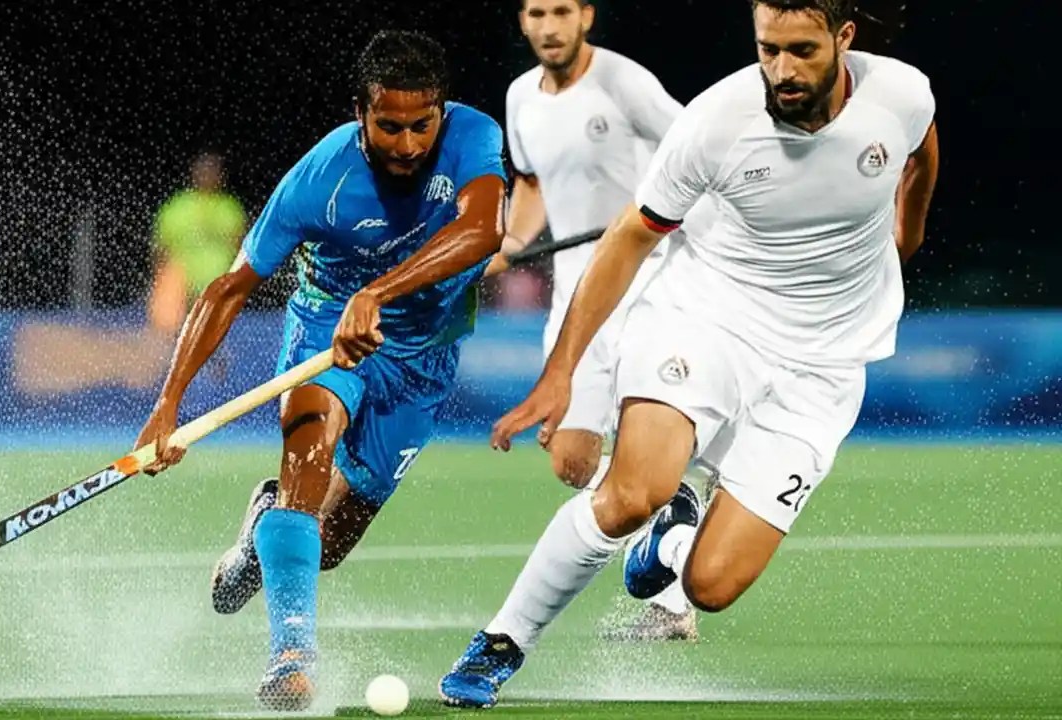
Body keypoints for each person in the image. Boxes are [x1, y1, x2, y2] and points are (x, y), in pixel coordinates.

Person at [440, 0, 938, 708]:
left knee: (712, 585)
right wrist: (561, 375)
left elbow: (922, 151)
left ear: (844, 39)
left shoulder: (902, 93)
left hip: (824, 366)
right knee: (627, 493)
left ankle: (669, 544)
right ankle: (502, 642)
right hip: (708, 318)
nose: (782, 69)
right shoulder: (716, 121)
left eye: (802, 50)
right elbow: (627, 239)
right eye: (769, 49)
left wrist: (904, 235)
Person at [133, 30, 506, 712]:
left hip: (423, 358)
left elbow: (483, 231)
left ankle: (259, 535)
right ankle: (291, 657)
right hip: (326, 334)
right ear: (360, 113)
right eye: (388, 126)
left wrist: (380, 294)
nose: (406, 144)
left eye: (421, 125)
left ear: (441, 112)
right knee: (306, 455)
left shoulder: (474, 136)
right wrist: (169, 405)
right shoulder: (318, 179)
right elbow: (228, 288)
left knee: (328, 544)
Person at [485, 0, 709, 643]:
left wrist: (669, 213)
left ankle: (669, 596)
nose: (549, 26)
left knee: (639, 436)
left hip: (650, 283)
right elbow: (531, 184)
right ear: (521, 21)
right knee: (572, 461)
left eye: (562, 11)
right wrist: (510, 246)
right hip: (577, 294)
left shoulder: (625, 83)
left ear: (586, 15)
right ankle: (672, 506)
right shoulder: (520, 96)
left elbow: (700, 148)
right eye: (536, 12)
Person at [146, 151, 249, 334]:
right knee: (175, 339)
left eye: (213, 170)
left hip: (217, 288)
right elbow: (160, 251)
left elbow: (243, 250)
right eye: (204, 170)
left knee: (212, 342)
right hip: (181, 290)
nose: (208, 175)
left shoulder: (230, 208)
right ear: (193, 173)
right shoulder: (177, 207)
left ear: (221, 176)